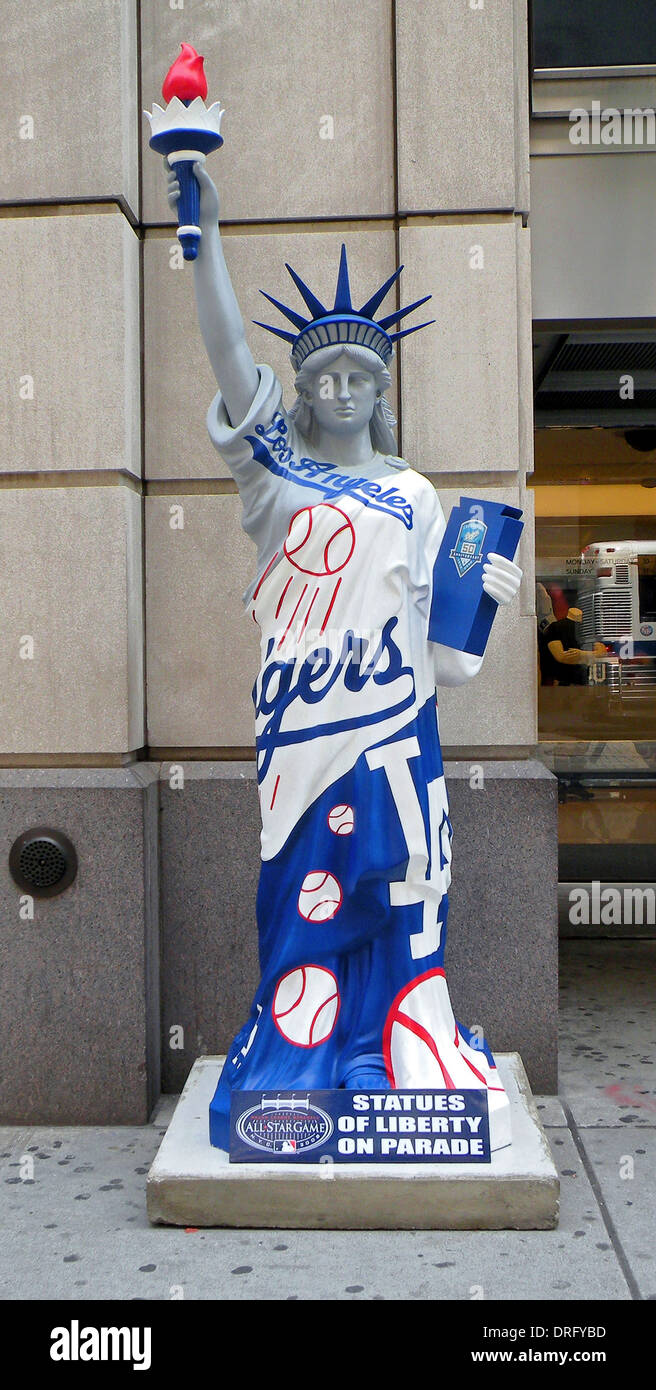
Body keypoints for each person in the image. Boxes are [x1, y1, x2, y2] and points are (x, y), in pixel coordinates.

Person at [168, 163, 523, 1150]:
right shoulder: (278, 481)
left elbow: (442, 658)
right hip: (303, 732)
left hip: (396, 729)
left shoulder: (415, 497)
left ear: (378, 390)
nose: (337, 392)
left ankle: (406, 1039)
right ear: (306, 393)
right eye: (321, 380)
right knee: (302, 900)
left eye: (357, 380)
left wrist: (479, 608)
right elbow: (231, 357)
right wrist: (204, 239)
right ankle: (299, 1056)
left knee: (409, 876)